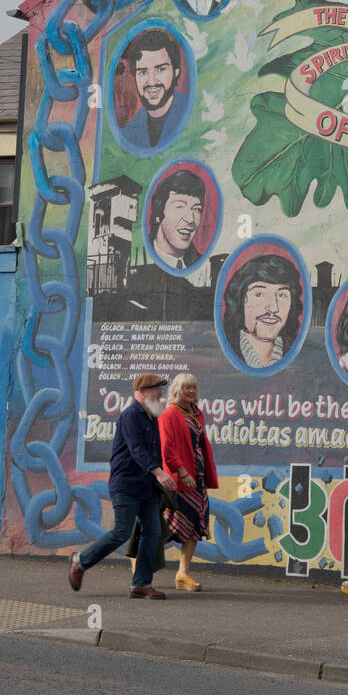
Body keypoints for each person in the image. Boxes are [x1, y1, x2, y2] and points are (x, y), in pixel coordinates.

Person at [68, 372, 176, 599]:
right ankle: (81, 561)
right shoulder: (131, 416)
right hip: (126, 485)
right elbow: (136, 449)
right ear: (142, 392)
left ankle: (141, 584)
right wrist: (159, 473)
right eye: (157, 389)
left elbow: (154, 452)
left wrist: (163, 475)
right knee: (122, 532)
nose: (161, 393)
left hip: (148, 488)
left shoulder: (152, 417)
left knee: (153, 533)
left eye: (161, 389)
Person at [158, 371, 218, 592]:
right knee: (166, 525)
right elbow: (167, 448)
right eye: (186, 388)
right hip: (179, 480)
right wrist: (182, 472)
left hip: (198, 479)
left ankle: (183, 573)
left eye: (193, 387)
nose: (191, 391)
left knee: (194, 525)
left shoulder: (196, 414)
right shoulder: (170, 414)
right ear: (177, 390)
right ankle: (139, 566)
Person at [222, 251, 304, 369]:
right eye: (259, 294)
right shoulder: (228, 349)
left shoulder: (296, 352)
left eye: (281, 295)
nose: (273, 308)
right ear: (240, 300)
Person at [118, 28, 190, 150]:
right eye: (143, 72)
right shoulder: (128, 134)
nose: (151, 81)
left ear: (176, 72)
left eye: (161, 70)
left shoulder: (192, 112)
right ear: (135, 76)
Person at [148, 168, 205, 271]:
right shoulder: (142, 258)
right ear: (158, 215)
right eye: (180, 207)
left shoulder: (204, 264)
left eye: (196, 209)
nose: (190, 219)